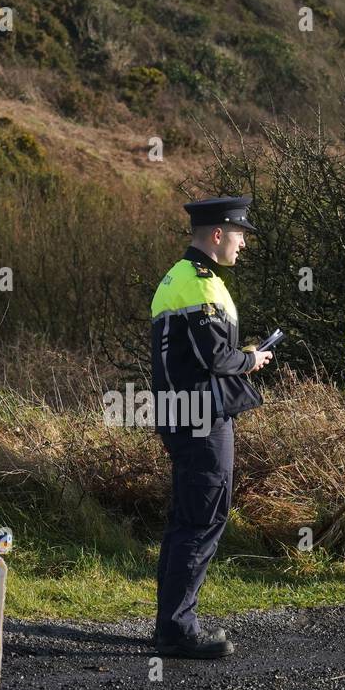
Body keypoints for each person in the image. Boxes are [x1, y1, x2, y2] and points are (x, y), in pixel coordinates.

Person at [149, 196, 272, 659]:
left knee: (186, 518)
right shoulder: (200, 284)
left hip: (182, 411)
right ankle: (179, 630)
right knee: (202, 518)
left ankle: (169, 624)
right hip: (201, 415)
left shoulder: (181, 278)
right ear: (218, 234)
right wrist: (252, 359)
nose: (243, 244)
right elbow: (215, 357)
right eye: (240, 235)